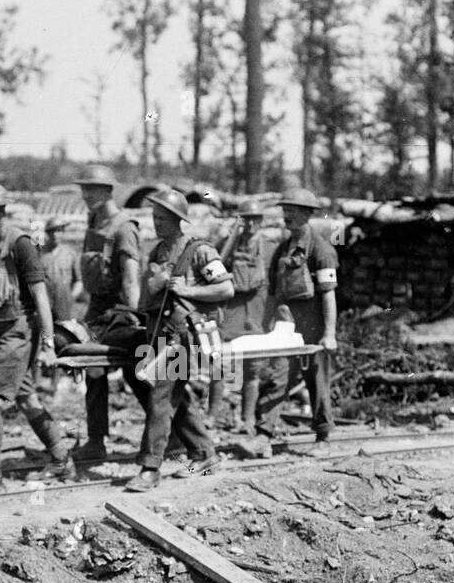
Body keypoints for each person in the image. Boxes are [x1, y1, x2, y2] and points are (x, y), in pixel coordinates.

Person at [0, 183, 73, 493]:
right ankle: (61, 458)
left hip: (21, 331)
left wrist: (47, 344)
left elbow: (41, 297)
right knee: (26, 398)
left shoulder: (20, 244)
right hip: (1, 330)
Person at [125, 188, 234, 492]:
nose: (157, 223)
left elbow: (226, 290)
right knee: (175, 398)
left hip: (186, 338)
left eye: (162, 218)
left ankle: (150, 467)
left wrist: (188, 291)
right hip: (161, 335)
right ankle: (204, 454)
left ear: (177, 219)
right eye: (154, 217)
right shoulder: (158, 252)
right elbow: (146, 298)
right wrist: (155, 283)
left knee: (161, 396)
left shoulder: (200, 251)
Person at [72, 164, 145, 463]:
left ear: (107, 191)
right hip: (96, 310)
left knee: (137, 373)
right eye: (83, 189)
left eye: (91, 189)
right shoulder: (94, 223)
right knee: (94, 370)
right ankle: (96, 441)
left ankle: (172, 431)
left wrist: (136, 318)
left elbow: (131, 278)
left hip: (119, 312)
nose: (85, 195)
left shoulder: (124, 228)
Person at [258, 187, 339, 457]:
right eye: (285, 211)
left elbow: (328, 295)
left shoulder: (320, 248)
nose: (286, 216)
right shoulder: (282, 249)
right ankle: (263, 435)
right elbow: (271, 293)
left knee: (316, 380)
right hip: (285, 327)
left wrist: (329, 334)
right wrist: (266, 324)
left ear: (306, 214)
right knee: (276, 377)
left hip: (313, 327)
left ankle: (323, 436)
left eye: (292, 211)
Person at [210, 198, 271, 434]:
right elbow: (213, 263)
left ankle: (247, 421)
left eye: (255, 219)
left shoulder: (267, 246)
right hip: (230, 313)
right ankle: (211, 417)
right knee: (219, 366)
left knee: (252, 370)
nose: (251, 225)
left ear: (262, 221)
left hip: (255, 314)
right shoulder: (229, 244)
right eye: (246, 219)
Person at [40, 217, 82, 323]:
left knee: (66, 334)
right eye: (51, 232)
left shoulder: (70, 253)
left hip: (65, 305)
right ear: (47, 233)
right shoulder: (39, 254)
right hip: (45, 304)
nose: (55, 235)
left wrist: (72, 296)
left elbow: (79, 281)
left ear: (63, 233)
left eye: (58, 231)